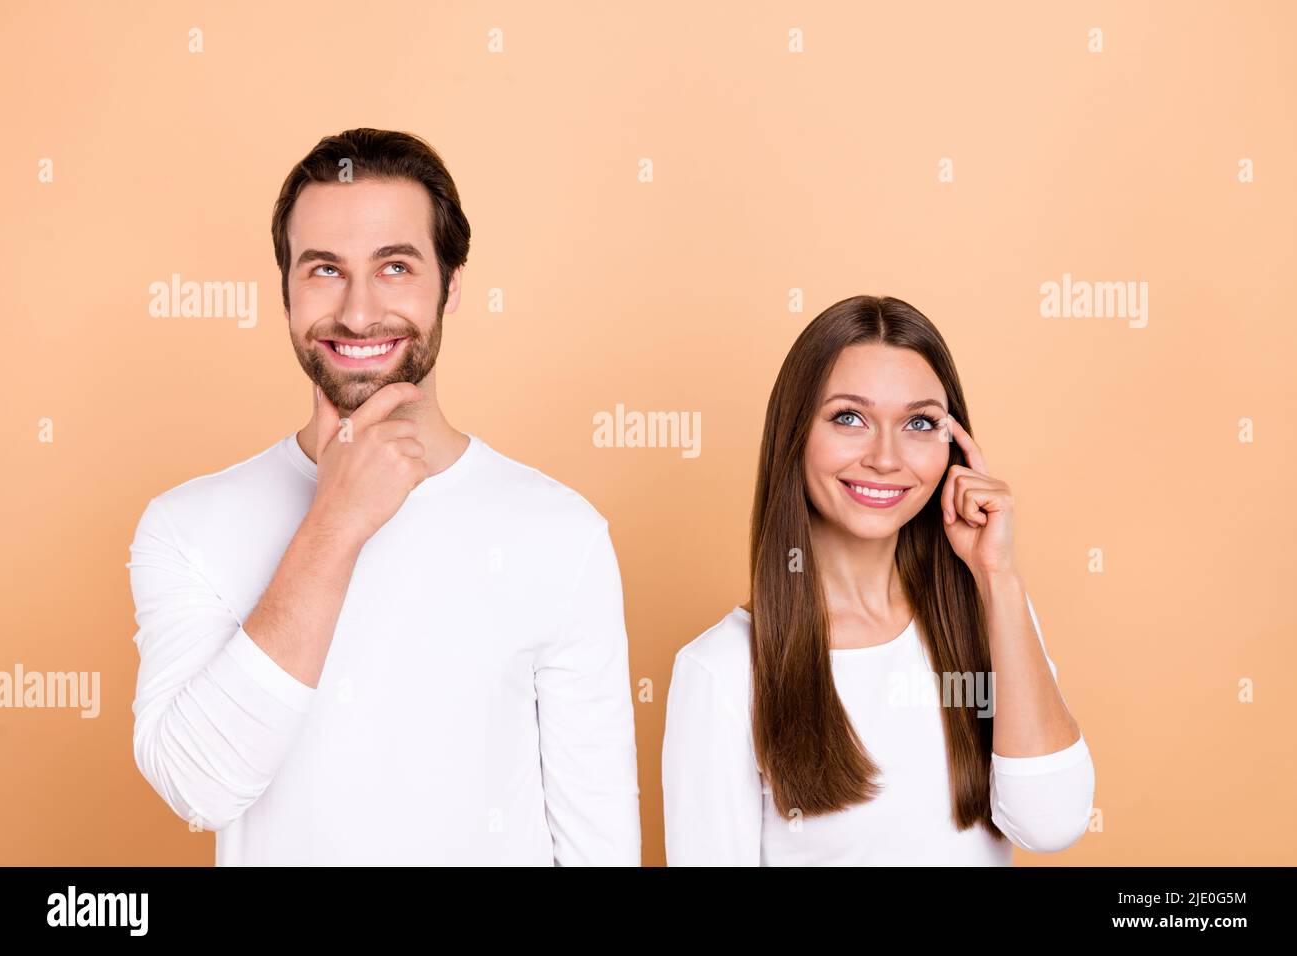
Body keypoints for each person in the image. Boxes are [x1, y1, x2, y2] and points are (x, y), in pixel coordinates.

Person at [127, 128, 640, 865]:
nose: (359, 313)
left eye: (395, 267)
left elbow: (598, 845)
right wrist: (334, 522)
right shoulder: (185, 526)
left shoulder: (561, 533)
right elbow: (200, 787)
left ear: (452, 284)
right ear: (286, 292)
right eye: (324, 270)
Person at [661, 295, 1094, 865]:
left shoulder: (993, 611)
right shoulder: (722, 669)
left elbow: (1052, 823)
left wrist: (998, 575)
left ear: (955, 448)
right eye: (849, 418)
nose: (886, 458)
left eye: (919, 423)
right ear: (795, 434)